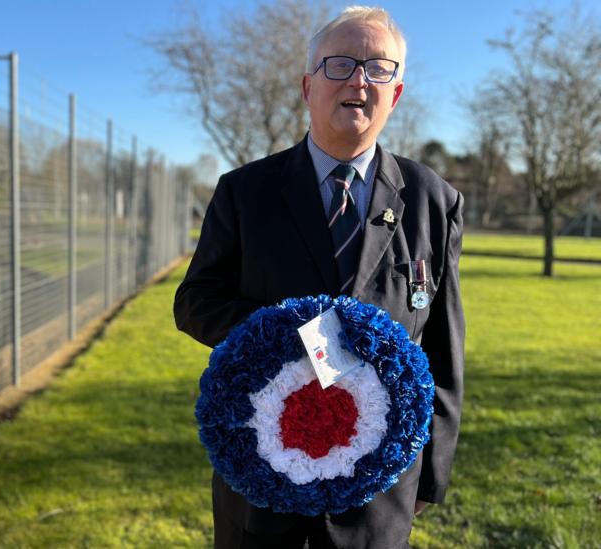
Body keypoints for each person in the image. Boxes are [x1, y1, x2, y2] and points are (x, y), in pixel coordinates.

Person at [173, 6, 464, 548]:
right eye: (340, 64)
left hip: (377, 498)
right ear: (309, 86)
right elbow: (194, 301)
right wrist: (291, 336)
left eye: (379, 68)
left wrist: (430, 474)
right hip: (262, 484)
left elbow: (443, 346)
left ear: (395, 94)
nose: (359, 79)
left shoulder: (434, 200)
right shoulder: (244, 192)